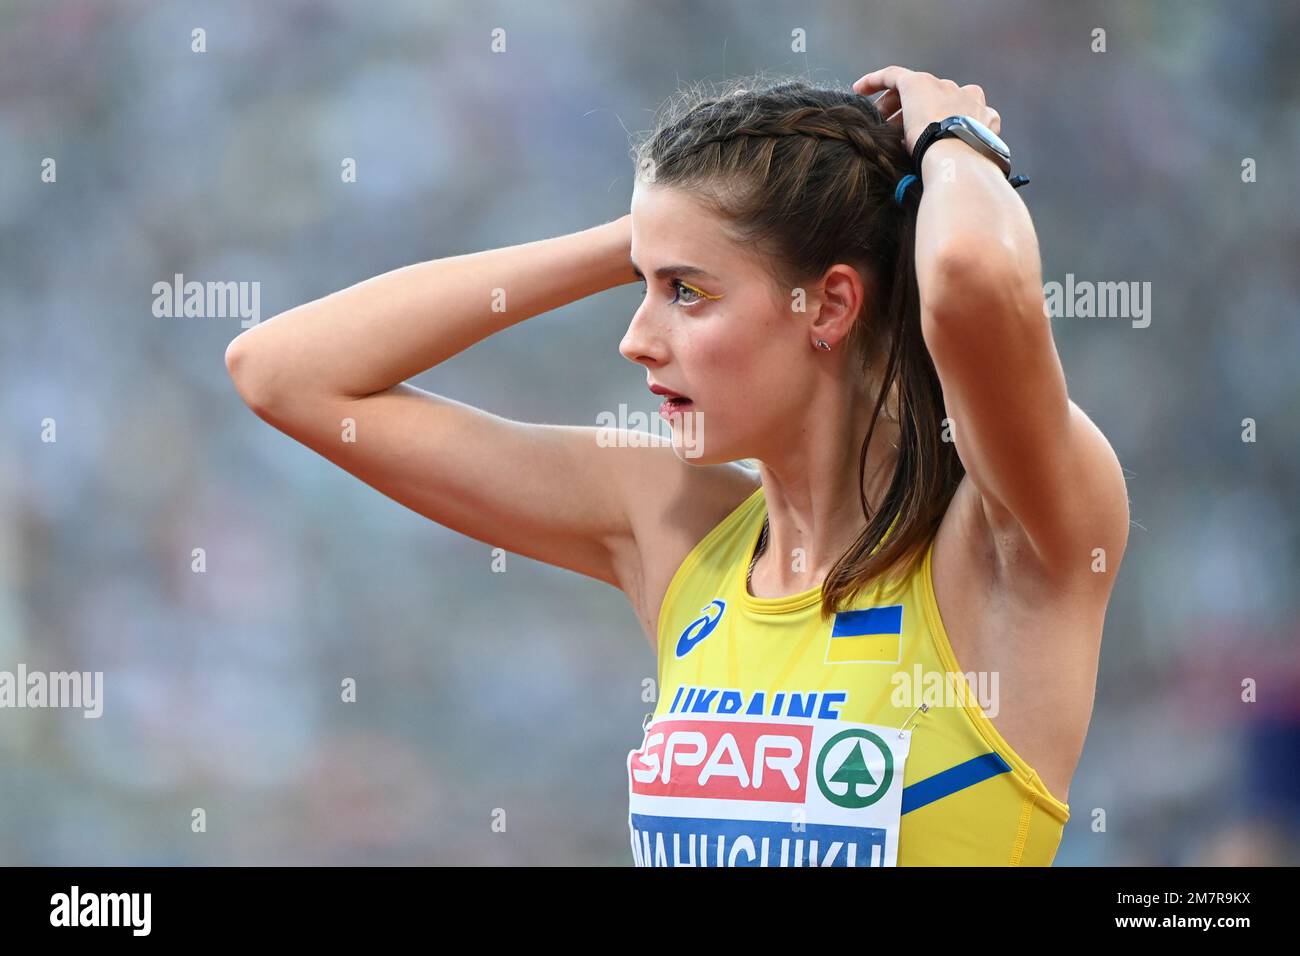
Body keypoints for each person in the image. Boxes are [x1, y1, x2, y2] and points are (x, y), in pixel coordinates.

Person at [225, 67, 1130, 866]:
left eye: (687, 294)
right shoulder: (675, 530)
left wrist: (955, 143)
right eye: (644, 284)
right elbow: (283, 374)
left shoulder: (1006, 545)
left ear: (829, 304)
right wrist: (656, 233)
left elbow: (972, 273)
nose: (635, 339)